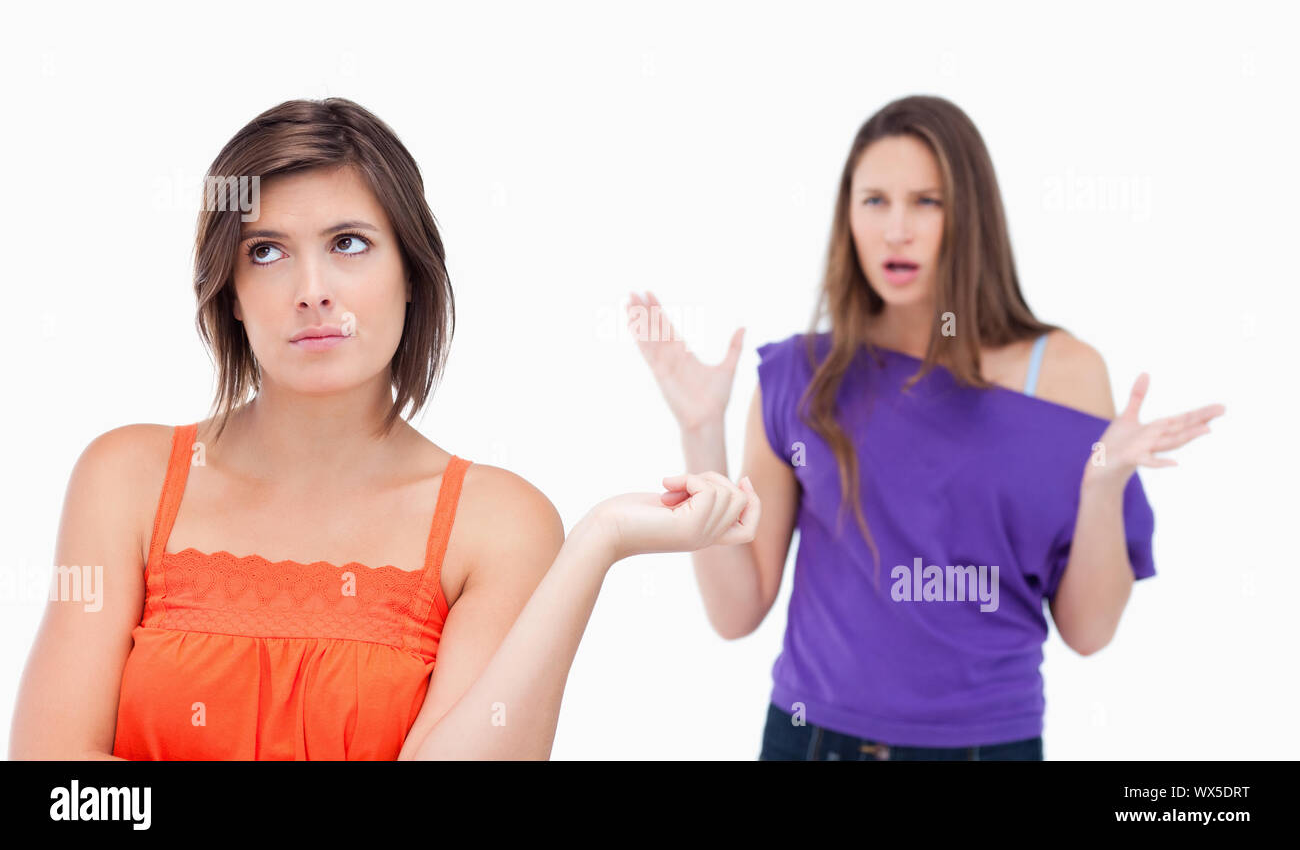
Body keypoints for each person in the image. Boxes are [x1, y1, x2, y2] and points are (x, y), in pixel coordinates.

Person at [9, 97, 760, 760]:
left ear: (411, 274)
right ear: (231, 293)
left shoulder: (499, 522)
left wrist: (599, 541)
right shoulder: (127, 477)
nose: (311, 292)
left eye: (349, 244)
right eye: (266, 252)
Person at [628, 94, 1224, 760]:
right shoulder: (799, 376)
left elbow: (1089, 632)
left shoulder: (1062, 374)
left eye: (926, 202)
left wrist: (1104, 484)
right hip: (811, 739)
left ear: (969, 214)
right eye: (874, 201)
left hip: (988, 746)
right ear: (846, 215)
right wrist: (700, 434)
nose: (896, 230)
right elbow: (735, 614)